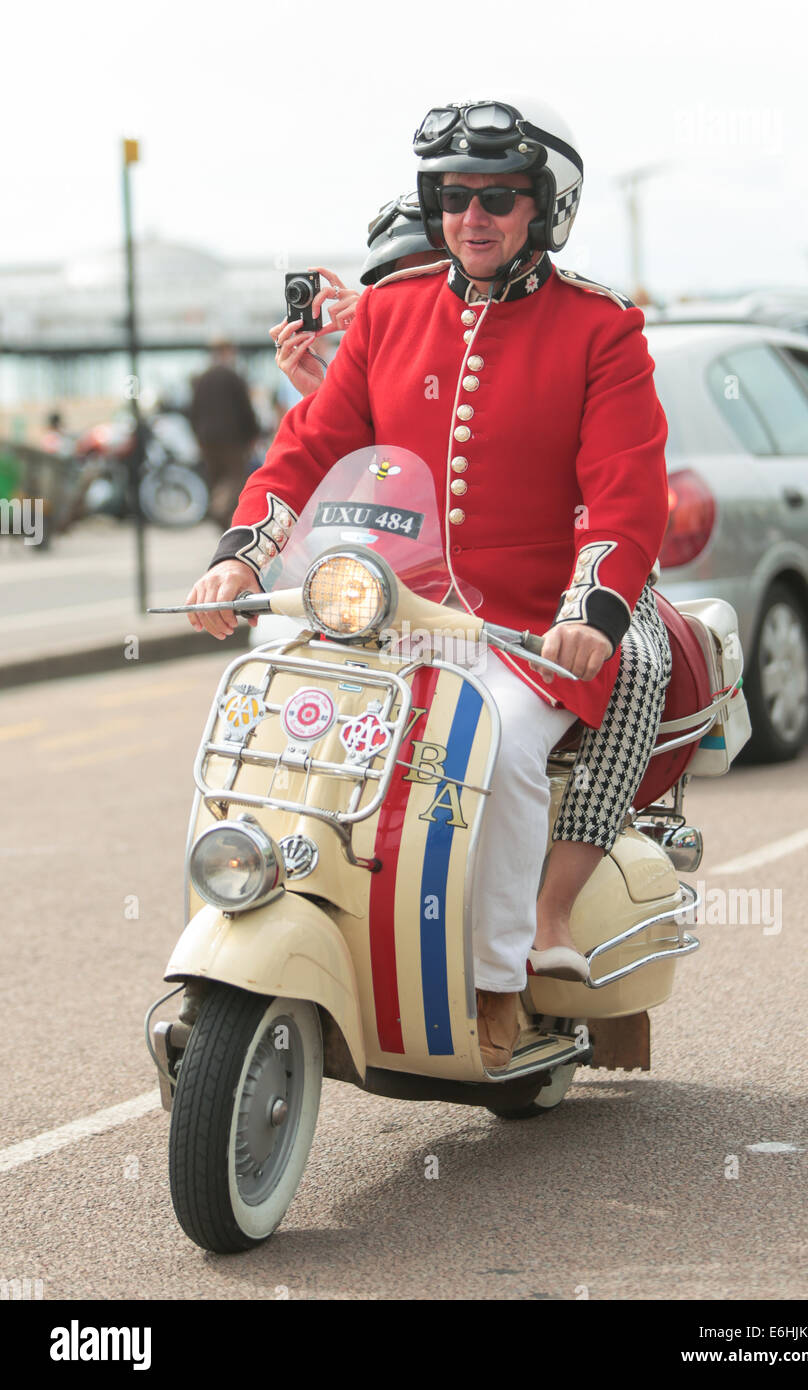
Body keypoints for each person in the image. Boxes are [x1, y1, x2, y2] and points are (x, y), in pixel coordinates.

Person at [183, 98, 671, 1071]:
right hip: (387, 616)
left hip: (521, 641)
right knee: (274, 712)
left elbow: (624, 498)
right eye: (452, 196)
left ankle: (497, 986)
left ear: (544, 207)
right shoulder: (393, 314)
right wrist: (240, 553)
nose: (471, 215)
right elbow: (307, 449)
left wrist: (589, 613)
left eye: (497, 196)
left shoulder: (599, 329)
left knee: (489, 752)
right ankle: (256, 920)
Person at [271, 193, 447, 398]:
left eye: (435, 273)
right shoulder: (371, 353)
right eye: (400, 281)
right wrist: (321, 394)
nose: (418, 294)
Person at [188, 339, 260, 531]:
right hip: (233, 439)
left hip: (207, 440)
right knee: (234, 480)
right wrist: (253, 434)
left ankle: (225, 524)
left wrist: (198, 435)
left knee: (217, 480)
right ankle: (218, 510)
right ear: (227, 351)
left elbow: (193, 411)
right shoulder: (234, 377)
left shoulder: (200, 379)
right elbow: (246, 410)